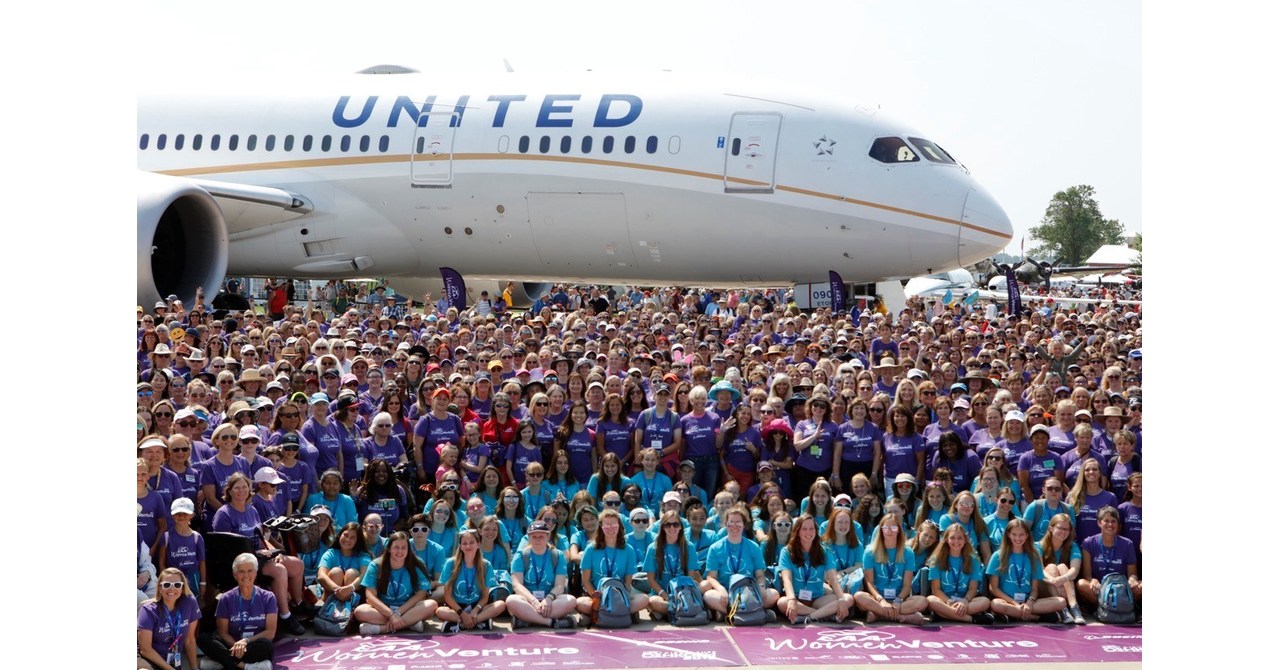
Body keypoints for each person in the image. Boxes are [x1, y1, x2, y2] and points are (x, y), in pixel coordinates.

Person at [198, 553, 276, 670]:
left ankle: (224, 662)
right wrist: (236, 646)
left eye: (250, 570)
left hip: (253, 644)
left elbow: (270, 632)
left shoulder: (269, 597)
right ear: (235, 575)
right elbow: (223, 632)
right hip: (232, 644)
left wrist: (245, 641)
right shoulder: (225, 598)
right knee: (203, 638)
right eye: (241, 571)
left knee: (267, 646)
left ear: (256, 573)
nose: (246, 575)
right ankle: (243, 666)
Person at [702, 504, 780, 619]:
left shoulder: (754, 547)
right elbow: (711, 577)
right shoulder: (715, 548)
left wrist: (761, 586)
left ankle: (729, 613)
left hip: (749, 592)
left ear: (744, 525)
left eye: (738, 522)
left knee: (773, 594)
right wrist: (720, 589)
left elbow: (759, 574)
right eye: (731, 522)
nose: (734, 525)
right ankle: (757, 613)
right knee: (709, 595)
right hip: (727, 593)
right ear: (725, 524)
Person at [354, 531, 440, 634]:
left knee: (432, 605)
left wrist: (398, 613)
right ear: (389, 549)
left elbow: (421, 595)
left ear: (409, 550)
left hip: (408, 609)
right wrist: (391, 614)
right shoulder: (376, 565)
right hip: (383, 610)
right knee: (360, 611)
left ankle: (382, 629)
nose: (400, 551)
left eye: (404, 547)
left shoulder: (417, 564)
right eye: (396, 547)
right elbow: (370, 596)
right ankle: (410, 623)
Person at [852, 512, 928, 623]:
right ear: (881, 530)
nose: (889, 530)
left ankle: (879, 615)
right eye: (886, 527)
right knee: (859, 597)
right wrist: (881, 600)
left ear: (899, 530)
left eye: (893, 527)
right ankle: (901, 617)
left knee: (923, 601)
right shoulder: (870, 551)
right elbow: (869, 583)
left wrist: (898, 600)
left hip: (899, 599)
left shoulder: (908, 552)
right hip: (877, 599)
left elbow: (907, 585)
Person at [985, 518, 1066, 622]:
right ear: (1008, 535)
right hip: (1007, 601)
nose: (1018, 538)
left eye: (1021, 534)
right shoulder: (997, 556)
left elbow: (1034, 589)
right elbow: (993, 588)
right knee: (995, 604)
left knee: (1061, 602)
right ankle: (1036, 617)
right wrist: (1014, 603)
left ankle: (1014, 615)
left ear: (1027, 535)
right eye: (1014, 534)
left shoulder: (1033, 556)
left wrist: (1029, 602)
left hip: (1028, 601)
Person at [575, 508, 650, 620]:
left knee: (644, 599)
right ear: (601, 526)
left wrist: (621, 597)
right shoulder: (590, 549)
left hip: (620, 594)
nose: (610, 528)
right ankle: (622, 613)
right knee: (579, 602)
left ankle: (600, 614)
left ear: (619, 526)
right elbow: (585, 581)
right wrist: (596, 596)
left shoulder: (628, 549)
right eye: (606, 525)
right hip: (597, 595)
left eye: (614, 525)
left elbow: (628, 581)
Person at [777, 515, 852, 624]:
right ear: (797, 531)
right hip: (797, 598)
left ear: (816, 531)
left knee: (848, 599)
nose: (808, 532)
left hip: (817, 599)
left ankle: (809, 617)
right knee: (782, 602)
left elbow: (833, 579)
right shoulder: (787, 551)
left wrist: (841, 599)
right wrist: (792, 600)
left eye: (811, 528)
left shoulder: (824, 551)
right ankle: (823, 615)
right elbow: (786, 579)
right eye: (804, 529)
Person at [436, 529, 506, 632]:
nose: (468, 546)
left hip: (477, 606)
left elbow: (485, 597)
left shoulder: (486, 565)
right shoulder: (451, 563)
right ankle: (479, 623)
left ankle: (465, 623)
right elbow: (447, 596)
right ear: (460, 546)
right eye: (464, 543)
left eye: (471, 543)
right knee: (440, 611)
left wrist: (475, 611)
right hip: (457, 607)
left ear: (478, 544)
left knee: (501, 605)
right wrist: (462, 613)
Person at [1077, 506, 1142, 615]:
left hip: (1121, 589)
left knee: (1142, 586)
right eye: (1106, 521)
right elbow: (1087, 575)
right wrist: (1092, 580)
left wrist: (1132, 580)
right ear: (1099, 523)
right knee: (1081, 584)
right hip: (1100, 589)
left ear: (1118, 524)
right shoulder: (1088, 543)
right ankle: (1104, 608)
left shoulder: (1127, 544)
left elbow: (1133, 574)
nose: (1110, 525)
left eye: (1113, 521)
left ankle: (1123, 607)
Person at [925, 524, 995, 624]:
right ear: (946, 540)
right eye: (952, 538)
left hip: (965, 600)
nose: (956, 542)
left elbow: (973, 588)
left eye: (960, 538)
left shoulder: (973, 560)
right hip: (945, 600)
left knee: (985, 602)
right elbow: (936, 589)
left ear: (965, 540)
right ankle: (971, 619)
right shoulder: (936, 559)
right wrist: (948, 601)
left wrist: (965, 601)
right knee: (931, 600)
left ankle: (943, 614)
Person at [644, 509, 704, 620]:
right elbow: (651, 579)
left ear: (681, 527)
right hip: (661, 593)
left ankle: (670, 612)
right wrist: (664, 595)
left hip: (683, 590)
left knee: (705, 585)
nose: (672, 528)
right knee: (653, 601)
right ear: (662, 527)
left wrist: (680, 594)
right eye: (668, 525)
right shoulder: (653, 548)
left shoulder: (688, 546)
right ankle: (686, 611)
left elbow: (690, 576)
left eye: (676, 524)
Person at [137, 567, 201, 670]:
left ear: (182, 587)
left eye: (177, 585)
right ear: (160, 588)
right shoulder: (148, 609)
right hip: (150, 659)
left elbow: (190, 640)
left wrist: (194, 668)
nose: (172, 589)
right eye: (166, 585)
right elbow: (145, 650)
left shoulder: (190, 602)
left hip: (172, 659)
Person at [1039, 512, 1086, 624]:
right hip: (1043, 586)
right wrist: (1054, 581)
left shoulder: (1073, 546)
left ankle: (1074, 607)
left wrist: (1063, 579)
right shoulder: (1038, 546)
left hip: (1063, 585)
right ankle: (1062, 610)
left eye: (1067, 529)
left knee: (1063, 567)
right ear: (1051, 528)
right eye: (1060, 528)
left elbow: (1075, 570)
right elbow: (1039, 570)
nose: (1063, 532)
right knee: (1051, 567)